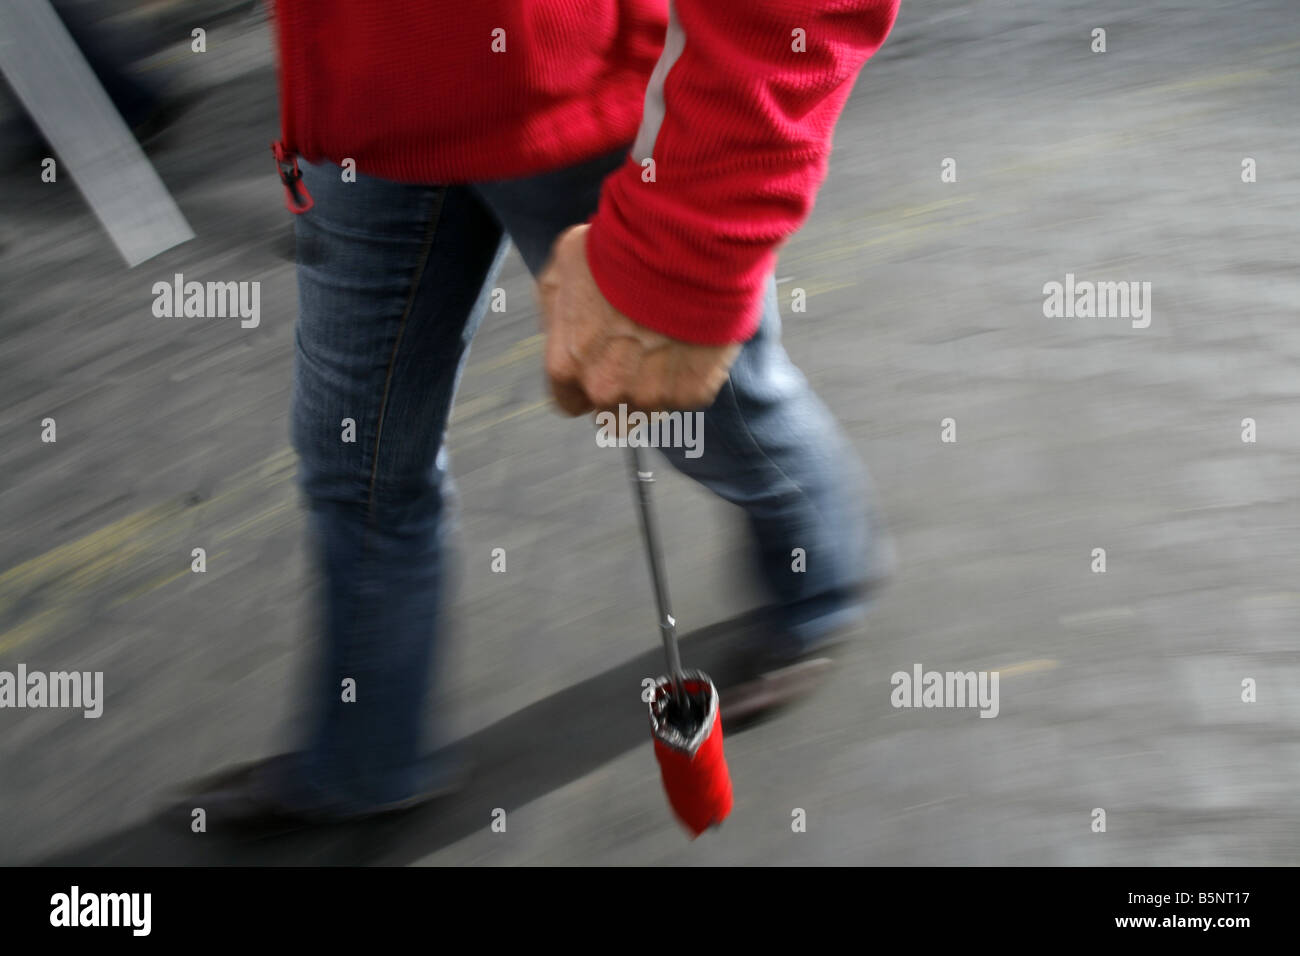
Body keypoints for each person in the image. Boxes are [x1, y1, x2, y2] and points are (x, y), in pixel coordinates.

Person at [189, 0, 900, 827]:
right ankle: (367, 757)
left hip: (555, 104)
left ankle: (827, 577)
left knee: (711, 416)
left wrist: (696, 249)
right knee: (354, 456)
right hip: (361, 121)